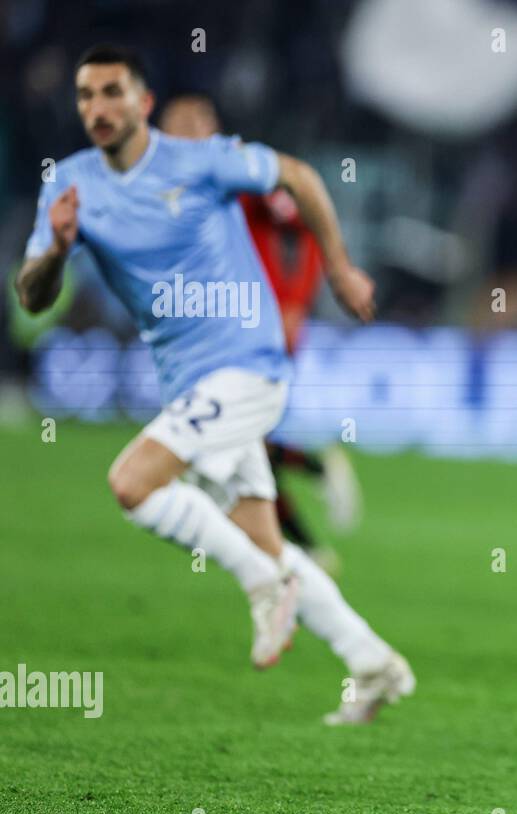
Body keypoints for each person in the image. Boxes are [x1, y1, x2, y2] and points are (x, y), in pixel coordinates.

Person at [15, 44, 412, 724]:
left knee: (132, 484)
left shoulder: (198, 160)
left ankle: (263, 586)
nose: (98, 108)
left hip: (250, 366)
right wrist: (54, 250)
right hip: (188, 385)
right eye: (85, 95)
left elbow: (298, 176)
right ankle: (372, 661)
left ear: (142, 103)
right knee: (266, 539)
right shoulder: (73, 186)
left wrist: (340, 270)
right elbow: (31, 298)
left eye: (112, 92)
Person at [158, 93, 363, 577]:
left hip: (255, 325)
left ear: (212, 126)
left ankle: (297, 543)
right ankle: (304, 530)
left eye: (193, 121)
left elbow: (306, 217)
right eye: (173, 123)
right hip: (206, 327)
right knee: (236, 444)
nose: (183, 131)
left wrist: (295, 300)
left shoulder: (238, 170)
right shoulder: (166, 183)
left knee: (227, 442)